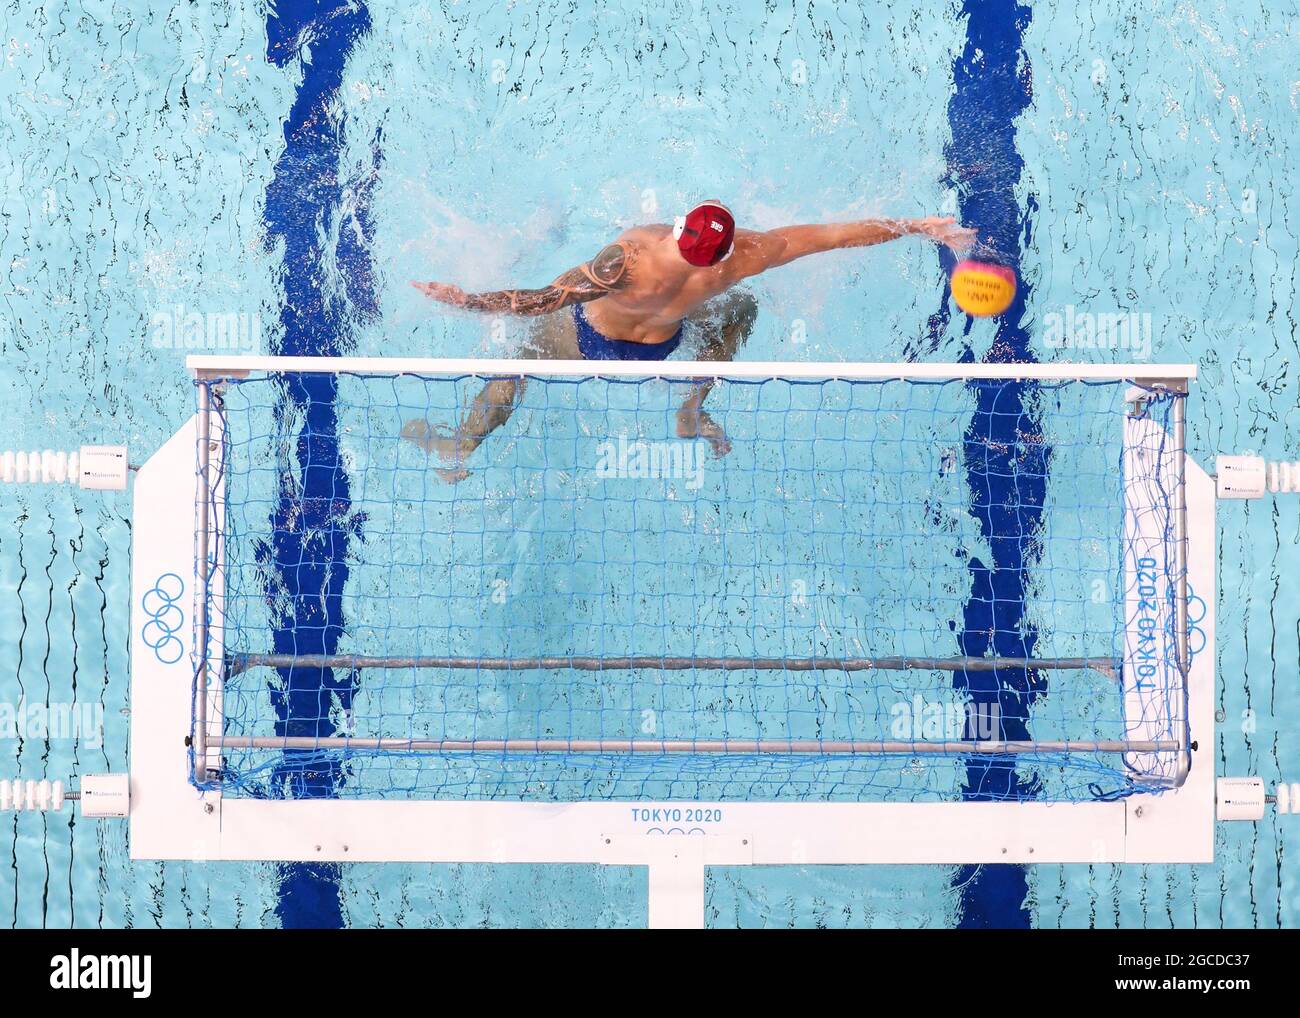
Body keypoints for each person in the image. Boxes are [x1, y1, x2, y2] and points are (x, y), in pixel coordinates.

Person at [406, 201, 974, 481]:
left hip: (586, 338)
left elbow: (544, 298)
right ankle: (692, 408)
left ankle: (462, 445)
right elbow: (829, 236)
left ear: (679, 228)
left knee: (514, 367)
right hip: (662, 345)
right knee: (741, 311)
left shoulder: (626, 259)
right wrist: (917, 227)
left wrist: (469, 300)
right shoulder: (738, 262)